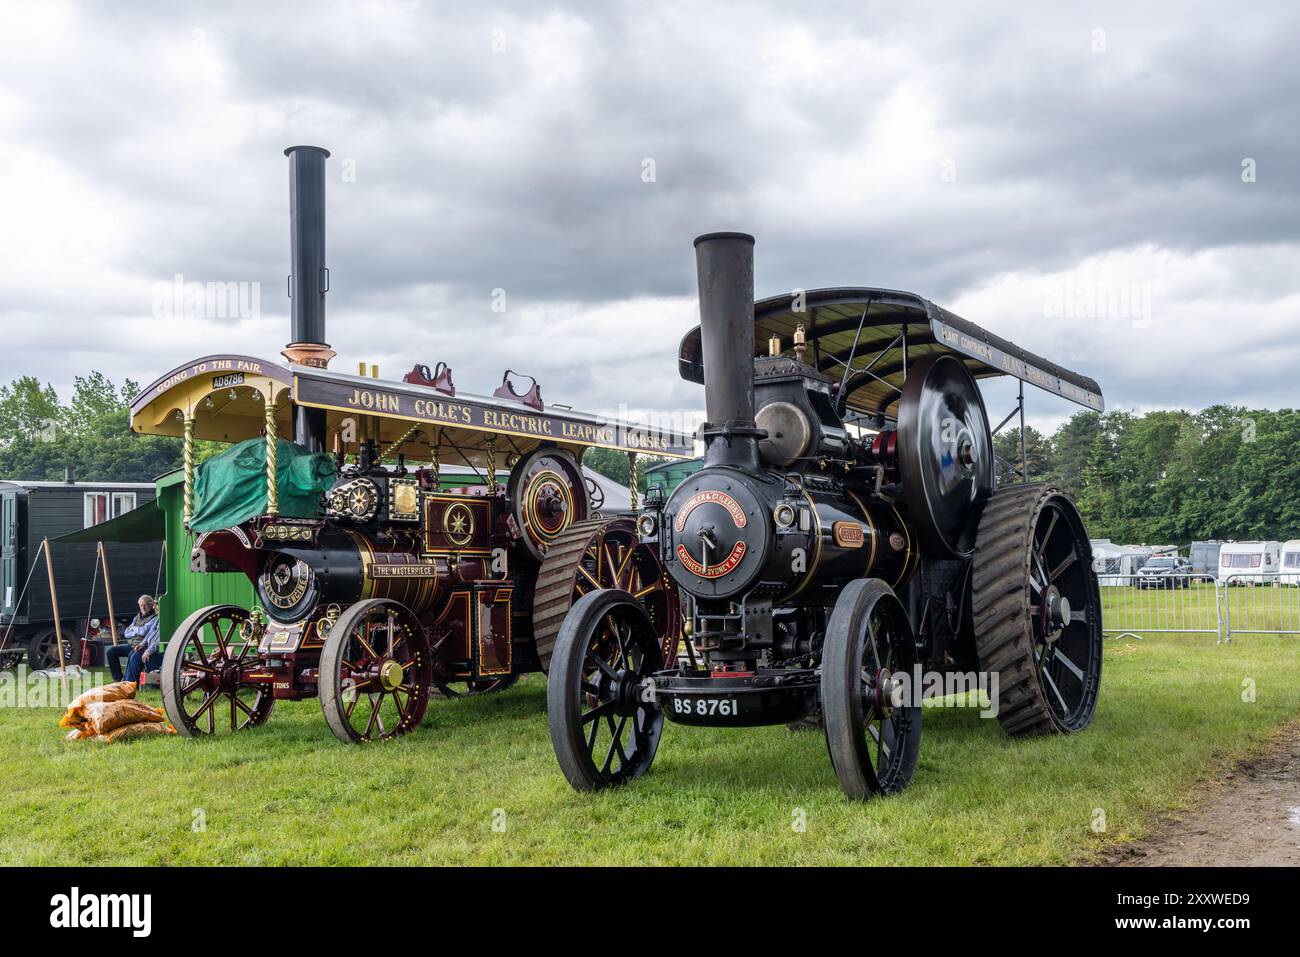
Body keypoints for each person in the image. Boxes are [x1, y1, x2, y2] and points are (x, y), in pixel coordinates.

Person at [104, 595, 160, 685]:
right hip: (135, 644)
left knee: (133, 655)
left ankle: (130, 683)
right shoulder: (137, 617)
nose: (143, 607)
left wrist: (134, 629)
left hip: (145, 647)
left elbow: (143, 631)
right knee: (111, 652)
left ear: (151, 605)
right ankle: (118, 680)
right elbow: (126, 633)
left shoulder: (154, 618)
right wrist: (139, 636)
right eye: (141, 605)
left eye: (145, 605)